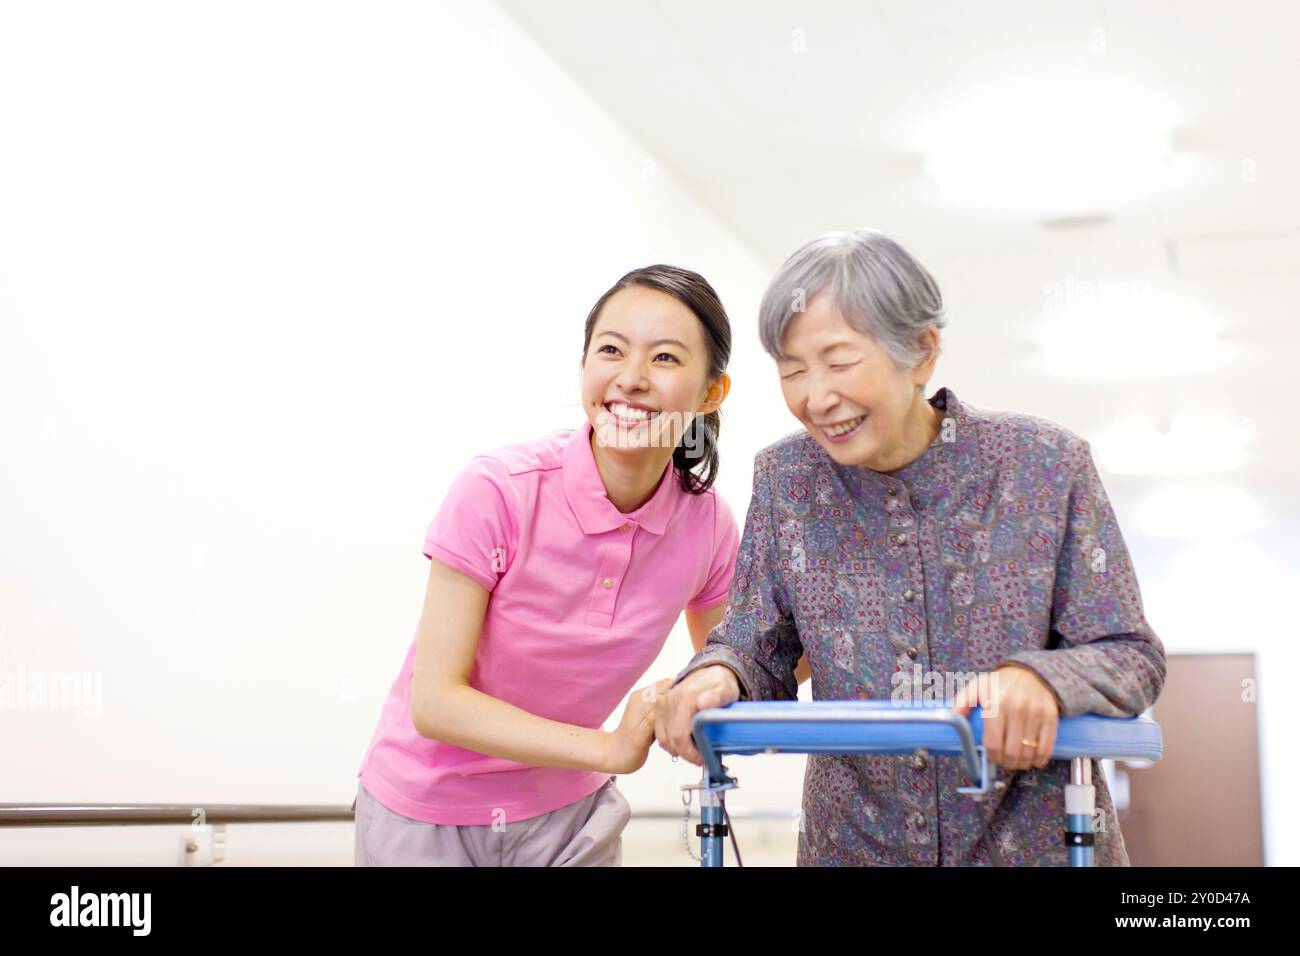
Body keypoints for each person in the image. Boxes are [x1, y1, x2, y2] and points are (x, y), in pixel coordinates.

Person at [655, 228, 1167, 866]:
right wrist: (716, 675)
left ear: (921, 353)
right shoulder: (788, 481)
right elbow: (756, 643)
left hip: (1030, 846)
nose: (816, 397)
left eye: (839, 362)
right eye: (792, 370)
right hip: (855, 847)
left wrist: (1043, 679)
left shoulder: (1044, 465)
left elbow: (1131, 656)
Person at [354, 264, 744, 866]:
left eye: (664, 358)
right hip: (425, 812)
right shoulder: (498, 489)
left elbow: (736, 656)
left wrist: (689, 694)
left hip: (572, 817)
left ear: (711, 392)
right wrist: (610, 747)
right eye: (610, 350)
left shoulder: (709, 524)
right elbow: (434, 702)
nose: (631, 379)